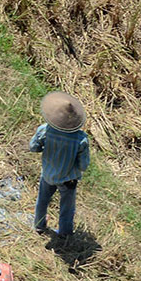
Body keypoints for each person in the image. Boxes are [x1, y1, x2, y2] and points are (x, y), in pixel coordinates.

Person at [30, 91, 90, 238]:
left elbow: (33, 147)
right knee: (67, 208)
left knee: (42, 200)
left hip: (48, 174)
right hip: (68, 179)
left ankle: (39, 225)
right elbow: (83, 165)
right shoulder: (81, 139)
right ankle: (64, 233)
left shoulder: (44, 130)